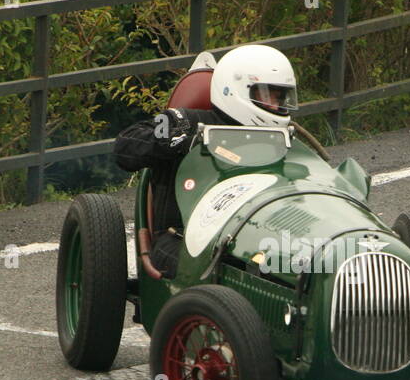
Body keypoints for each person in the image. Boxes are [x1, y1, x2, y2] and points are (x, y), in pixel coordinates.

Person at [114, 44, 298, 277]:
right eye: (267, 95)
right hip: (180, 237)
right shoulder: (185, 121)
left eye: (279, 97)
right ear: (236, 91)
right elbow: (124, 147)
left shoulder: (282, 137)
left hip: (249, 237)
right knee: (224, 271)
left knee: (295, 269)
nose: (274, 106)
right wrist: (179, 142)